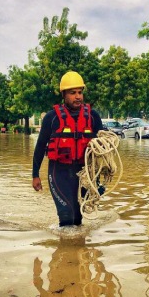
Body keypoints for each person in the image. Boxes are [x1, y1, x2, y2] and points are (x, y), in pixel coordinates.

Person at [32, 71, 104, 227]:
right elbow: (40, 147)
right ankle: (64, 243)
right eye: (73, 93)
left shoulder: (93, 117)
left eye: (80, 92)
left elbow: (103, 148)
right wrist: (35, 175)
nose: (78, 96)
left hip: (84, 173)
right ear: (64, 94)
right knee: (66, 217)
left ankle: (78, 243)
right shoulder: (51, 118)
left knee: (77, 219)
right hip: (59, 173)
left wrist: (98, 180)